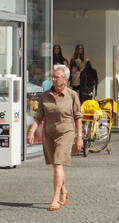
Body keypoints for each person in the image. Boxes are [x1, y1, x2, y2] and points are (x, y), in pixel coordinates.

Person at [26, 64, 83, 210]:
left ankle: (55, 199)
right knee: (57, 164)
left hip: (66, 132)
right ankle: (63, 190)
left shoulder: (72, 95)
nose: (53, 79)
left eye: (56, 77)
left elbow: (78, 117)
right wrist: (31, 132)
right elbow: (39, 117)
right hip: (49, 133)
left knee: (58, 164)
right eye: (53, 77)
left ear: (65, 78)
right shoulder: (45, 96)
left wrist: (79, 137)